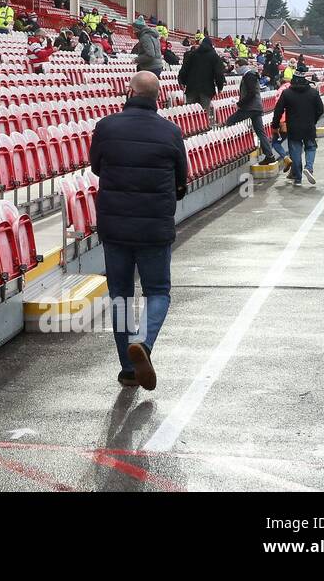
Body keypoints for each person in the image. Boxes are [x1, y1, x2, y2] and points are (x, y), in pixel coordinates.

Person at [89, 71, 187, 391]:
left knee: (121, 296)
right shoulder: (172, 131)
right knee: (157, 292)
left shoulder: (106, 127)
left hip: (115, 228)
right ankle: (143, 342)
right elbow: (182, 181)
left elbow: (97, 167)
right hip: (154, 228)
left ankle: (129, 369)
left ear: (129, 92)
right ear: (157, 95)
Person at [271, 70, 324, 186]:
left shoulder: (286, 93)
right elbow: (320, 109)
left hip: (293, 127)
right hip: (309, 126)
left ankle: (298, 179)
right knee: (310, 147)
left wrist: (275, 126)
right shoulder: (313, 92)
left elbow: (278, 111)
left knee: (295, 152)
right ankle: (309, 168)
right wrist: (313, 120)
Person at [225, 60, 275, 164]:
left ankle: (230, 149)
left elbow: (251, 93)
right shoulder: (251, 75)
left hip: (250, 108)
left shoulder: (249, 76)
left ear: (242, 66)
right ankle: (269, 155)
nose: (236, 68)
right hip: (255, 107)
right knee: (260, 132)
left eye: (237, 66)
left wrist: (239, 104)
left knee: (229, 121)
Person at [178, 36, 225, 125]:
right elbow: (218, 73)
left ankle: (191, 129)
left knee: (190, 112)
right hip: (207, 89)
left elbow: (184, 69)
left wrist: (182, 81)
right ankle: (203, 130)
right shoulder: (214, 56)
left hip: (191, 88)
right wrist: (220, 87)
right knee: (204, 113)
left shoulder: (192, 54)